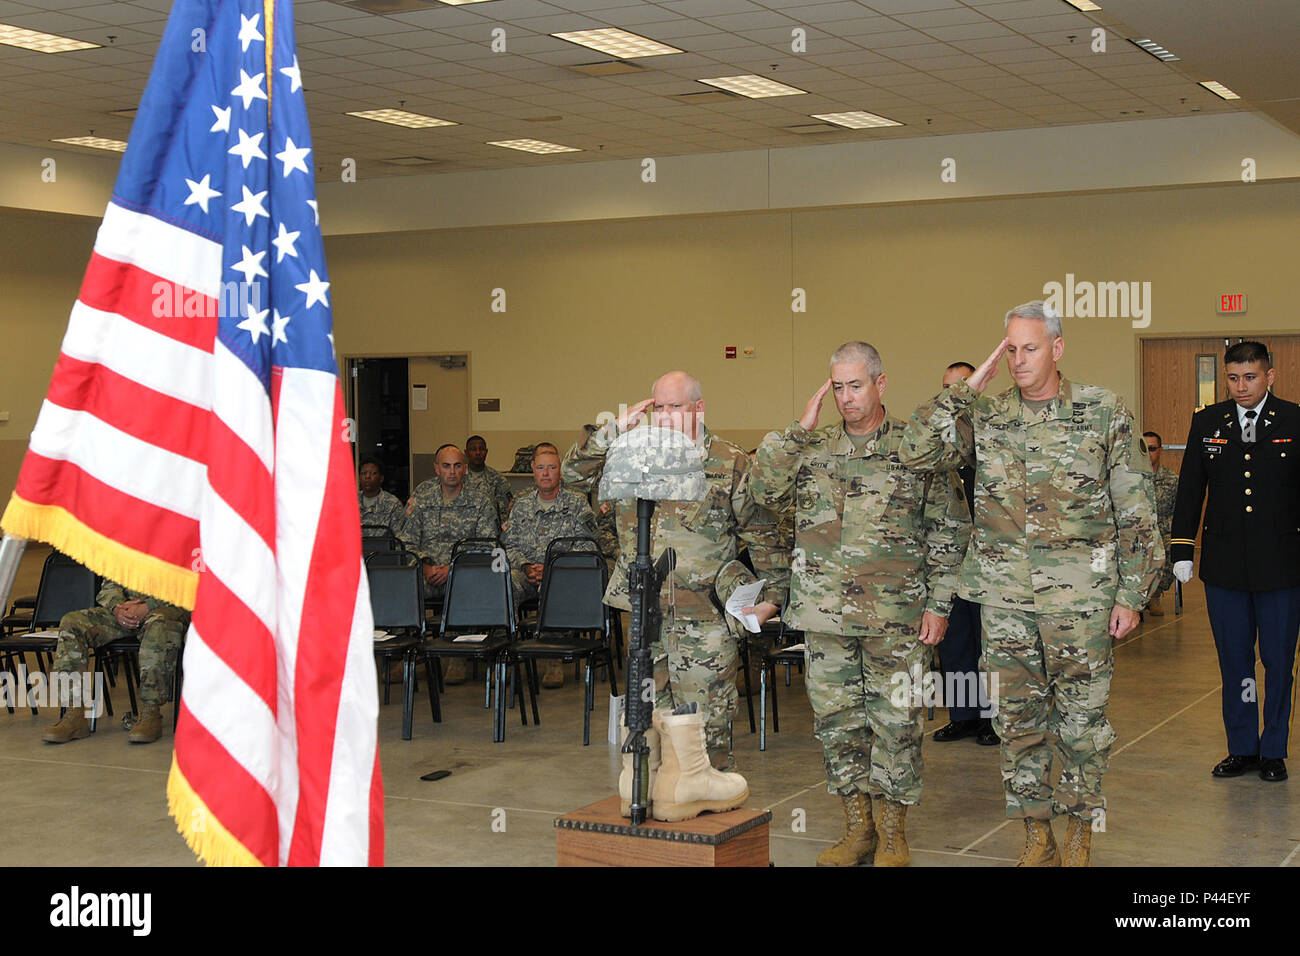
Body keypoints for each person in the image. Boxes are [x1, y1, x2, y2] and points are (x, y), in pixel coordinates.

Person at [900, 300, 1161, 867]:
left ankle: (1078, 835)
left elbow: (1136, 507)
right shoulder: (988, 416)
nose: (1019, 360)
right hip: (1006, 602)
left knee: (1082, 727)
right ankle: (1035, 836)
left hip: (1082, 603)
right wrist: (966, 391)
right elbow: (915, 452)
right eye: (1011, 349)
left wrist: (1132, 593)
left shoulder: (1101, 411)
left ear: (1058, 348)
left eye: (1030, 348)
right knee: (1019, 724)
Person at [749, 342, 970, 867]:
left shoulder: (914, 451)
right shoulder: (813, 450)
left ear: (881, 384)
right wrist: (798, 429)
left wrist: (939, 604)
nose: (847, 397)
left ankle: (894, 834)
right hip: (824, 619)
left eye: (857, 385)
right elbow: (760, 491)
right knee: (837, 725)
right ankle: (859, 830)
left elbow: (950, 528)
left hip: (898, 619)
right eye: (839, 387)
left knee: (898, 724)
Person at [563, 370, 787, 772]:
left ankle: (709, 815)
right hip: (644, 616)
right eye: (659, 407)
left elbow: (763, 532)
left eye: (676, 407)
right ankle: (658, 809)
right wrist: (610, 432)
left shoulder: (728, 460)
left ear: (698, 408)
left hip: (705, 618)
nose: (665, 416)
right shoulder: (629, 454)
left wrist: (772, 600)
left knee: (705, 726)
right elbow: (572, 477)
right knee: (648, 722)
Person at [1170, 340, 1300, 783]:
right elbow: (1190, 488)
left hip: (1282, 565)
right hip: (1225, 566)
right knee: (1235, 661)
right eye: (1233, 378)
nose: (1241, 386)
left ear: (1270, 376)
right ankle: (1242, 746)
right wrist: (1183, 549)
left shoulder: (1294, 420)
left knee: (1279, 661)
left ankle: (1273, 748)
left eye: (1250, 377)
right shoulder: (1208, 422)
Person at [933, 361, 997, 746]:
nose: (951, 395)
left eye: (959, 387)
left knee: (987, 641)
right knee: (954, 641)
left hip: (989, 560)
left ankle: (992, 719)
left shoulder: (991, 437)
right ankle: (964, 716)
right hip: (950, 560)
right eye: (945, 388)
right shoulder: (937, 442)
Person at [41, 580, 189, 745]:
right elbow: (110, 582)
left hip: (167, 608)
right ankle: (73, 714)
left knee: (159, 625)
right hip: (125, 612)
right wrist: (117, 607)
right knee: (72, 622)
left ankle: (150, 713)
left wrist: (148, 606)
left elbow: (188, 582)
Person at [503, 445, 602, 689]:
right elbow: (508, 545)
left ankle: (553, 659)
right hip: (527, 573)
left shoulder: (578, 504)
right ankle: (506, 656)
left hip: (561, 574)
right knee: (503, 586)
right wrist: (526, 566)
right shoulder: (521, 505)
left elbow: (589, 546)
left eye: (552, 468)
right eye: (540, 468)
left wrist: (554, 569)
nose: (546, 473)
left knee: (560, 588)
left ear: (560, 472)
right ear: (533, 471)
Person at [402, 443, 500, 685]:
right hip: (427, 574)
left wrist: (454, 569)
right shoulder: (422, 497)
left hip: (462, 576)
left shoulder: (480, 501)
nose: (452, 471)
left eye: (457, 466)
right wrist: (424, 566)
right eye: (446, 466)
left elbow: (488, 545)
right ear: (437, 469)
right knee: (399, 585)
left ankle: (458, 655)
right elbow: (405, 541)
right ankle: (411, 656)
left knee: (476, 585)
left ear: (465, 469)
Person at [1142, 431, 1179, 616]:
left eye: (1152, 449)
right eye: (1144, 449)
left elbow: (1179, 512)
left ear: (1160, 450)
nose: (1148, 453)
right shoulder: (1130, 478)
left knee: (1172, 548)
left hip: (1164, 529)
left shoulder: (1172, 480)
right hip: (1137, 530)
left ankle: (1155, 593)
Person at [464, 435, 514, 528]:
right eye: (473, 449)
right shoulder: (459, 477)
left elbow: (507, 513)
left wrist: (504, 533)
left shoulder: (498, 479)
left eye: (481, 449)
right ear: (466, 452)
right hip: (465, 530)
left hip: (490, 531)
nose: (478, 452)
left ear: (486, 452)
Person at [358, 456, 407, 538]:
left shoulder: (392, 504)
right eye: (363, 473)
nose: (367, 477)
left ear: (381, 478)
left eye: (373, 473)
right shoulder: (349, 502)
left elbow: (399, 539)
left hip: (383, 550)